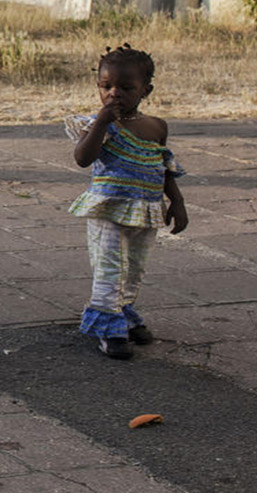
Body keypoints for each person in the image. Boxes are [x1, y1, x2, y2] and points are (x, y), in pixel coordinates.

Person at [68, 44, 189, 360]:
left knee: (134, 268)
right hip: (109, 210)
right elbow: (83, 158)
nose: (114, 94)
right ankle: (108, 329)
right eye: (106, 87)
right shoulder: (98, 124)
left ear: (145, 90)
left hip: (144, 210)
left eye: (125, 87)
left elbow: (162, 167)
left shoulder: (156, 127)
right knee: (109, 268)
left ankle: (124, 310)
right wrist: (101, 123)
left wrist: (176, 202)